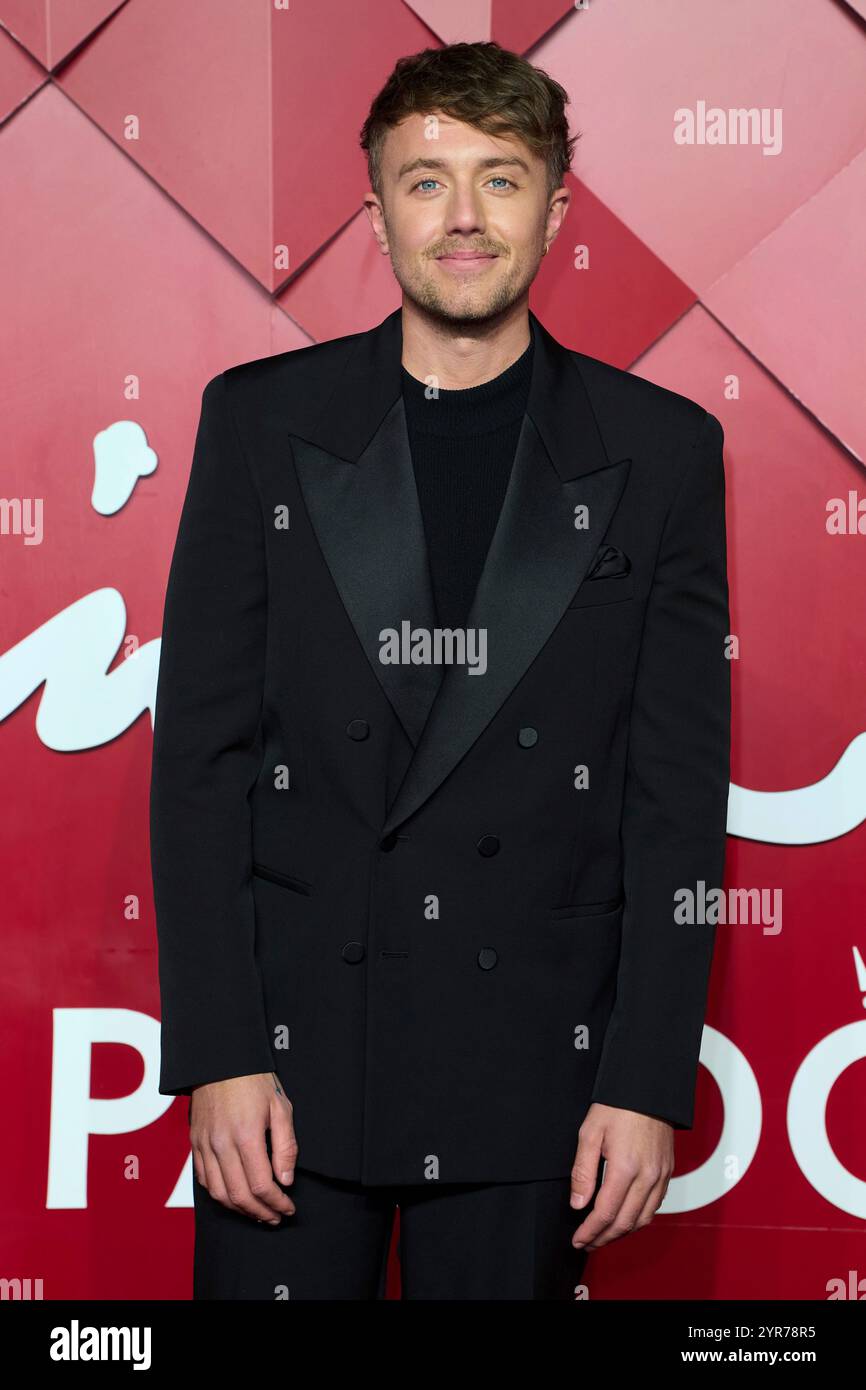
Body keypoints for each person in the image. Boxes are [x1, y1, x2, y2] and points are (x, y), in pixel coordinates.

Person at [150, 40, 731, 1300]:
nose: (462, 218)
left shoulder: (663, 451)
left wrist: (642, 1078)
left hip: (534, 1066)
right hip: (290, 1072)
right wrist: (220, 1055)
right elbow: (200, 766)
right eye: (424, 182)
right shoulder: (258, 423)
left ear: (554, 211)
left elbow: (674, 800)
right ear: (375, 213)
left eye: (500, 179)